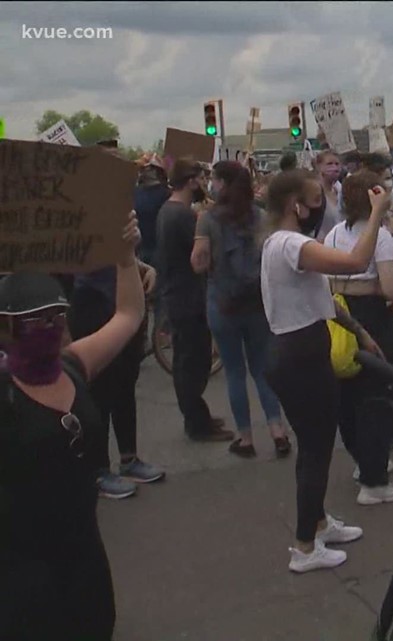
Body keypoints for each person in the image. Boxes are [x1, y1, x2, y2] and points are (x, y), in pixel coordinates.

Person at [1, 212, 145, 641]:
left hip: (85, 553)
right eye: (34, 321)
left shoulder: (74, 365)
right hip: (20, 567)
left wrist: (125, 256)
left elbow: (128, 314)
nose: (50, 328)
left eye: (56, 317)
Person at [260, 169, 387, 573]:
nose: (324, 206)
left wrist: (359, 331)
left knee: (317, 444)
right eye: (317, 199)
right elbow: (355, 261)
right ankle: (304, 546)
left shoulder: (286, 245)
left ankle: (317, 522)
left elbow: (323, 299)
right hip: (298, 356)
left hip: (304, 351)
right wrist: (378, 211)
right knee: (315, 451)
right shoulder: (290, 244)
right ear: (294, 205)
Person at [190, 160, 290, 459]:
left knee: (235, 372)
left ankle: (245, 438)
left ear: (221, 184)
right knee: (262, 370)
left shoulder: (208, 219)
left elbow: (199, 262)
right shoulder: (260, 216)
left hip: (223, 303)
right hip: (257, 303)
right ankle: (278, 431)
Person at [325, 170, 393, 504]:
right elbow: (390, 287)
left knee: (348, 396)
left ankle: (365, 462)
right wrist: (388, 283)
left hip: (342, 314)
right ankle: (375, 483)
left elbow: (331, 279)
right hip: (375, 319)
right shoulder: (381, 237)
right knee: (377, 398)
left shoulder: (333, 234)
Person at [69, 256, 164, 499]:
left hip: (120, 299)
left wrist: (143, 267)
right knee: (98, 392)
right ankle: (98, 470)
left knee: (125, 384)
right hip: (90, 300)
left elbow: (115, 249)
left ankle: (129, 459)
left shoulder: (115, 220)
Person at [155, 158, 231, 442]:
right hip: (187, 298)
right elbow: (203, 254)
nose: (203, 183)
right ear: (189, 181)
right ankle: (197, 423)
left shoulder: (171, 210)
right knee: (193, 364)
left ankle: (198, 416)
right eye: (200, 178)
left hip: (179, 295)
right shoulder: (182, 216)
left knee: (189, 362)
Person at [313, 151, 345, 242]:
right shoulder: (314, 193)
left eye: (337, 164)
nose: (334, 168)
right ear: (319, 167)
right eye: (329, 164)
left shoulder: (340, 191)